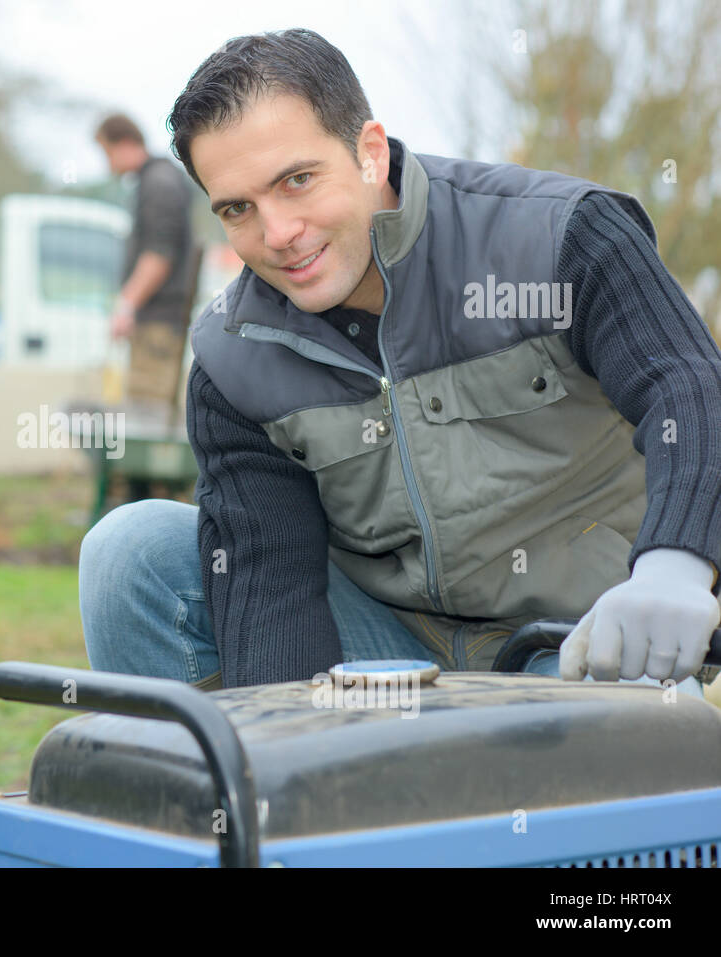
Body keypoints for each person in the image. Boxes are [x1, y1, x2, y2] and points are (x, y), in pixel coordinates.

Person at [79, 29, 721, 694]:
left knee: (639, 734)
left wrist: (674, 567)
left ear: (369, 152)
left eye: (297, 181)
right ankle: (219, 792)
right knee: (130, 550)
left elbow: (691, 389)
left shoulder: (559, 238)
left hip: (578, 645)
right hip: (385, 654)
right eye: (238, 208)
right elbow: (271, 590)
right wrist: (291, 756)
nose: (277, 234)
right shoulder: (231, 357)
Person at [95, 113, 197, 429]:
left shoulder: (158, 183)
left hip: (158, 321)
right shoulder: (158, 179)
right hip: (161, 318)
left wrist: (126, 305)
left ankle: (145, 480)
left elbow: (158, 254)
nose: (107, 165)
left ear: (125, 144)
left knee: (146, 415)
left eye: (107, 154)